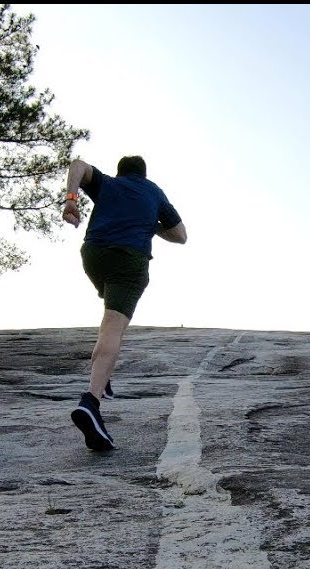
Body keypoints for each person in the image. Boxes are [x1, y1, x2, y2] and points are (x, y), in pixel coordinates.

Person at [62, 155, 187, 451]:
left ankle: (102, 376)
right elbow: (181, 235)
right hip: (128, 260)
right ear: (143, 174)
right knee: (113, 329)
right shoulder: (154, 192)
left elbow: (77, 165)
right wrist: (152, 223)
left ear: (121, 172)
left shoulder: (108, 184)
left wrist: (71, 200)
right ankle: (91, 401)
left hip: (93, 255)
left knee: (109, 321)